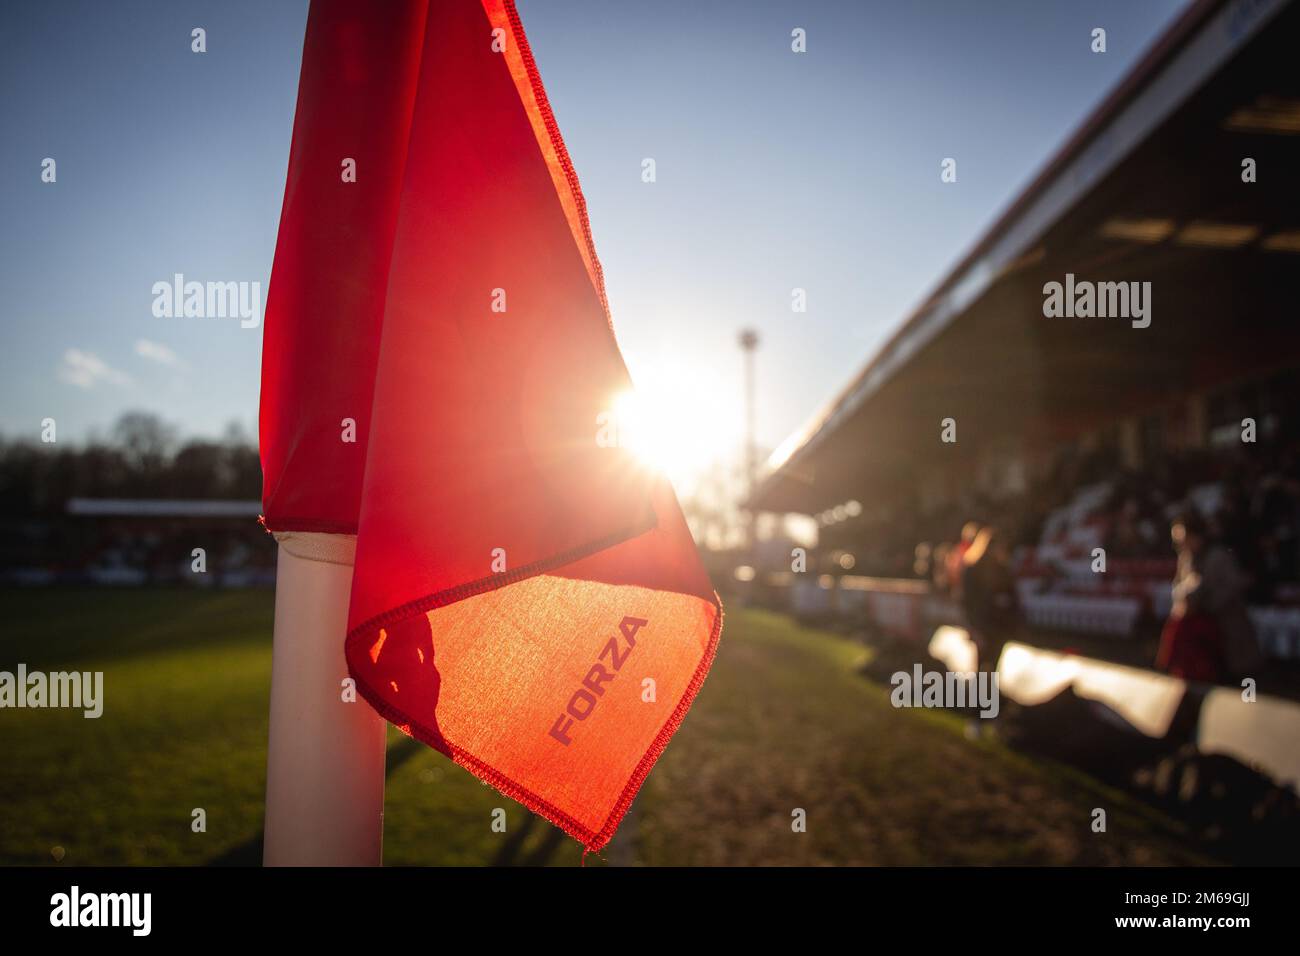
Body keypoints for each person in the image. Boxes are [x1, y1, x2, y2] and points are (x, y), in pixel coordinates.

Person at [1156, 510, 1261, 682]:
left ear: (1196, 536)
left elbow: (1230, 590)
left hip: (1224, 623)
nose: (1181, 545)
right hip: (1198, 621)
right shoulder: (1186, 559)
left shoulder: (1218, 557)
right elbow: (1178, 588)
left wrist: (1203, 604)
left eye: (1184, 540)